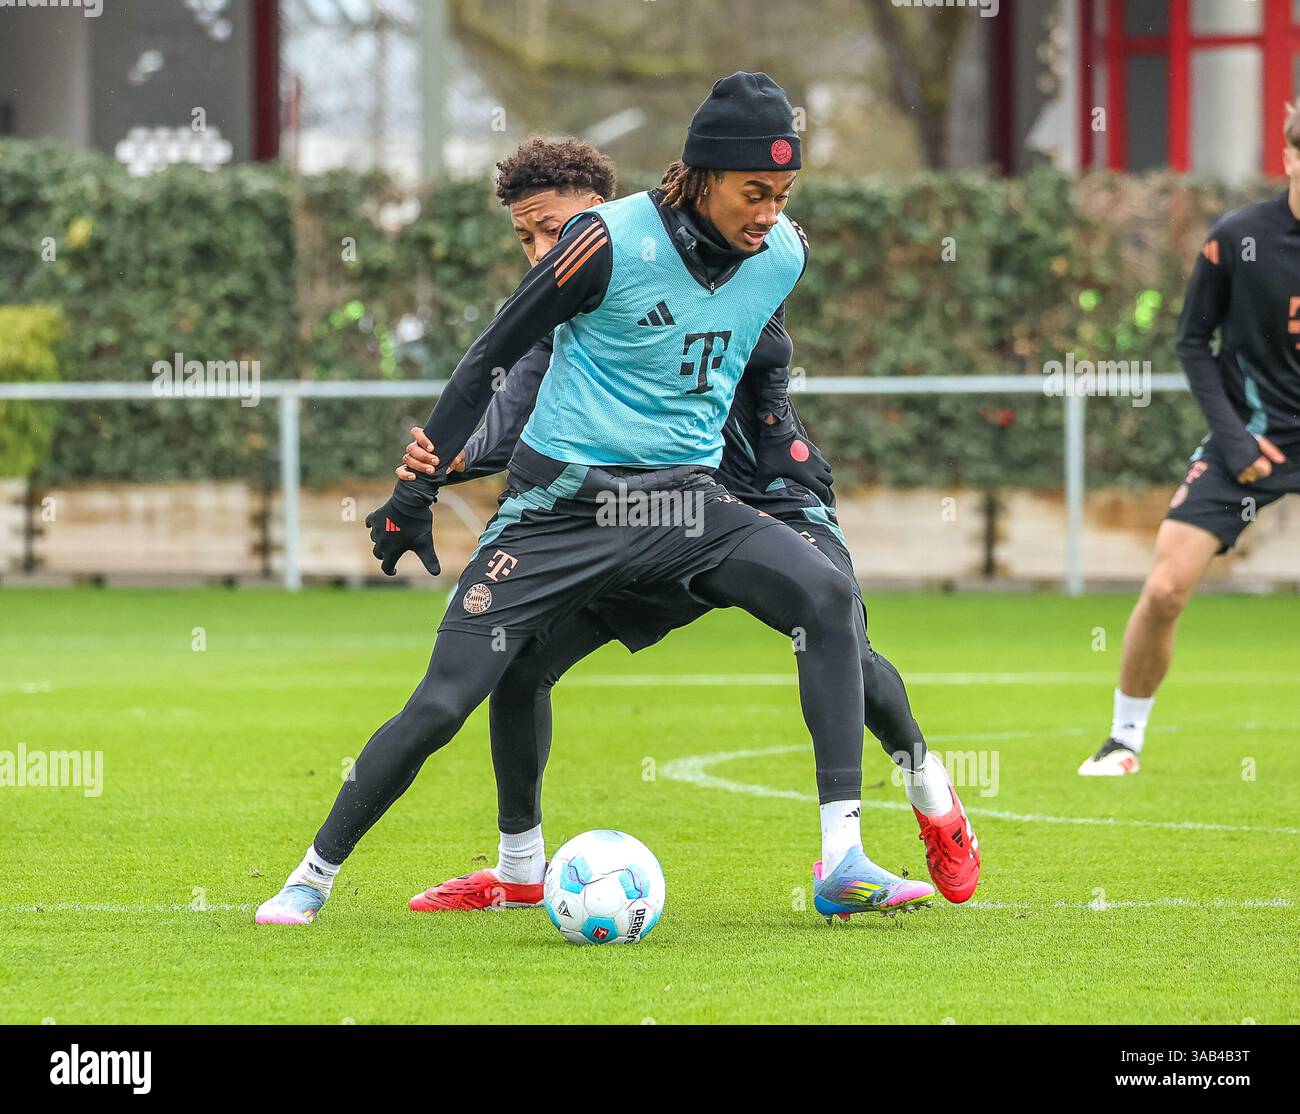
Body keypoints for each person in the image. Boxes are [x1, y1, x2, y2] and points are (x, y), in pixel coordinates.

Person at [256, 73, 949, 927]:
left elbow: (750, 347)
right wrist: (412, 492)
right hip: (562, 513)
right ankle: (312, 877)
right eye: (753, 192)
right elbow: (490, 359)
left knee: (828, 594)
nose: (768, 213)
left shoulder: (784, 256)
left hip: (683, 507)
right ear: (700, 176)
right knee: (446, 702)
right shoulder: (602, 244)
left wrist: (780, 439)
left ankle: (844, 857)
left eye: (782, 195)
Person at [1079, 102, 1300, 777]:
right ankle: (1123, 739)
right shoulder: (1238, 239)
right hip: (1251, 441)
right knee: (1167, 588)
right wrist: (1233, 443)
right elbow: (1192, 342)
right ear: (1291, 157)